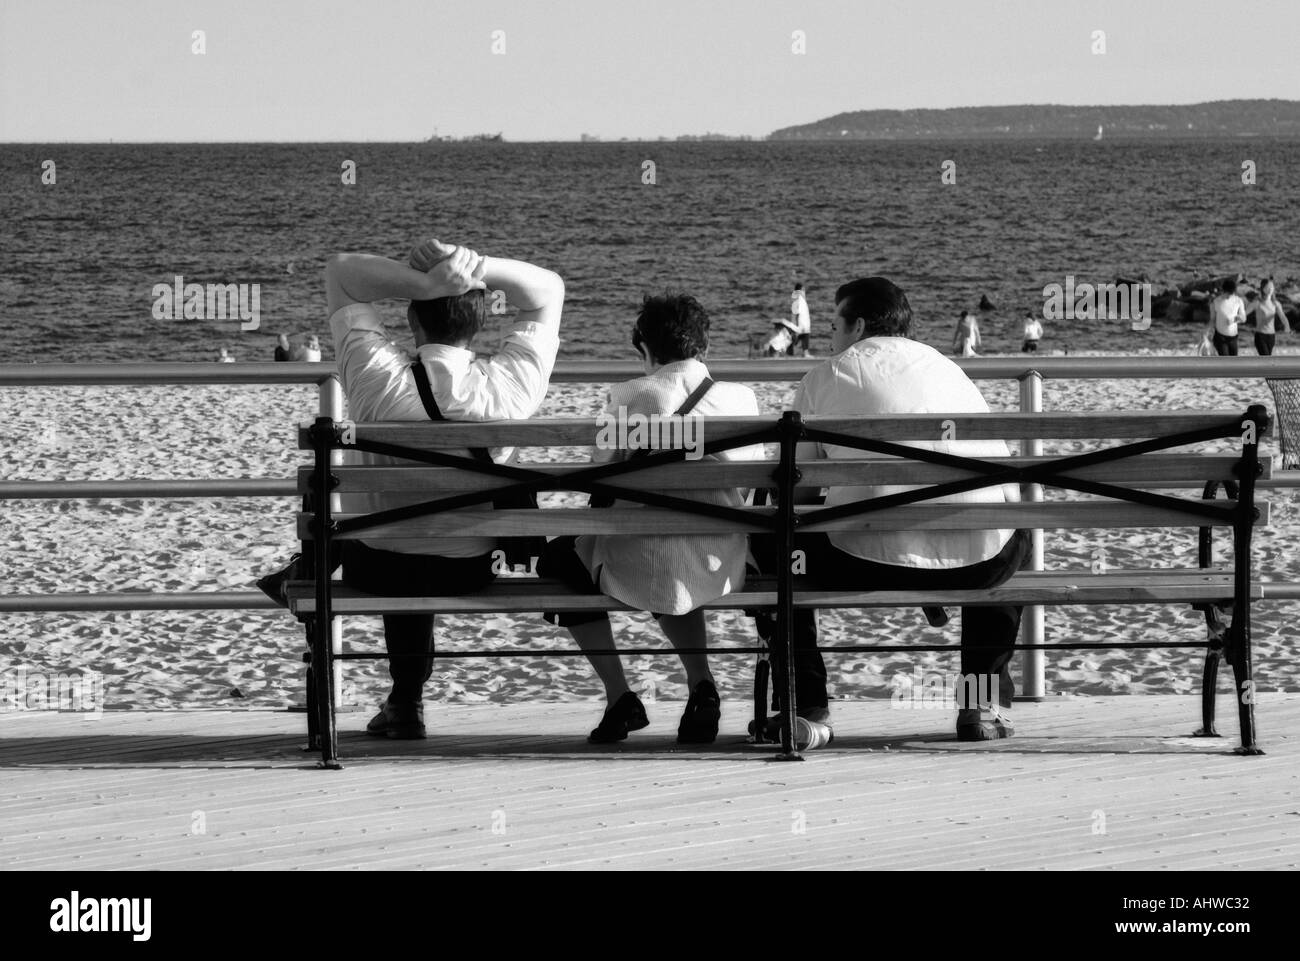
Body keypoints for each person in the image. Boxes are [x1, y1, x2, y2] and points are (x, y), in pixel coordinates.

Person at [752, 277, 1031, 741]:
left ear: (858, 324)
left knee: (778, 546)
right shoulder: (949, 369)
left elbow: (795, 498)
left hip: (861, 559)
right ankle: (979, 706)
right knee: (1004, 532)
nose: (831, 337)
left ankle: (807, 708)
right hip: (978, 561)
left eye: (835, 324)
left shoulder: (825, 376)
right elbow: (1000, 476)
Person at [323, 238, 563, 738]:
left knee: (401, 544)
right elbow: (548, 291)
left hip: (377, 562)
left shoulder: (377, 378)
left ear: (412, 322)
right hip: (469, 566)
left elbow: (342, 273)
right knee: (427, 544)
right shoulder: (509, 389)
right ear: (479, 324)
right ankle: (404, 699)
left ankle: (405, 700)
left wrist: (427, 282)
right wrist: (477, 265)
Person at [539, 293, 765, 744]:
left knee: (557, 563)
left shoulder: (627, 395)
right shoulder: (740, 397)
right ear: (704, 346)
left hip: (636, 554)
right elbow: (750, 479)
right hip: (719, 557)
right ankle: (701, 684)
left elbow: (597, 474)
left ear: (646, 349)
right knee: (674, 567)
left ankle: (620, 694)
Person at [1206, 278, 1246, 356]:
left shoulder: (1238, 301)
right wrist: (1206, 333)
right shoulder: (1215, 302)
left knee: (1234, 363)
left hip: (1234, 337)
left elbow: (1244, 318)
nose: (1229, 296)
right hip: (1220, 337)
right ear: (1223, 291)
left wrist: (1235, 319)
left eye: (1231, 294)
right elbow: (1212, 320)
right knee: (1225, 362)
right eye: (1228, 293)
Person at [1252, 278, 1291, 356]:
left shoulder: (1276, 304)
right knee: (1266, 358)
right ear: (1263, 289)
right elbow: (1244, 313)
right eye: (1267, 287)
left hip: (1271, 336)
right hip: (1260, 336)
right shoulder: (1257, 302)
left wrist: (1287, 326)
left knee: (1267, 359)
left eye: (1272, 287)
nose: (1270, 289)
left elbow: (1283, 317)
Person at [792, 282, 812, 356]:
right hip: (801, 324)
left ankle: (804, 352)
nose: (804, 292)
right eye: (803, 290)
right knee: (801, 337)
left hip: (804, 323)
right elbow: (796, 313)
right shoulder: (799, 300)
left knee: (803, 337)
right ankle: (804, 353)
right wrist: (797, 325)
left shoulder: (801, 300)